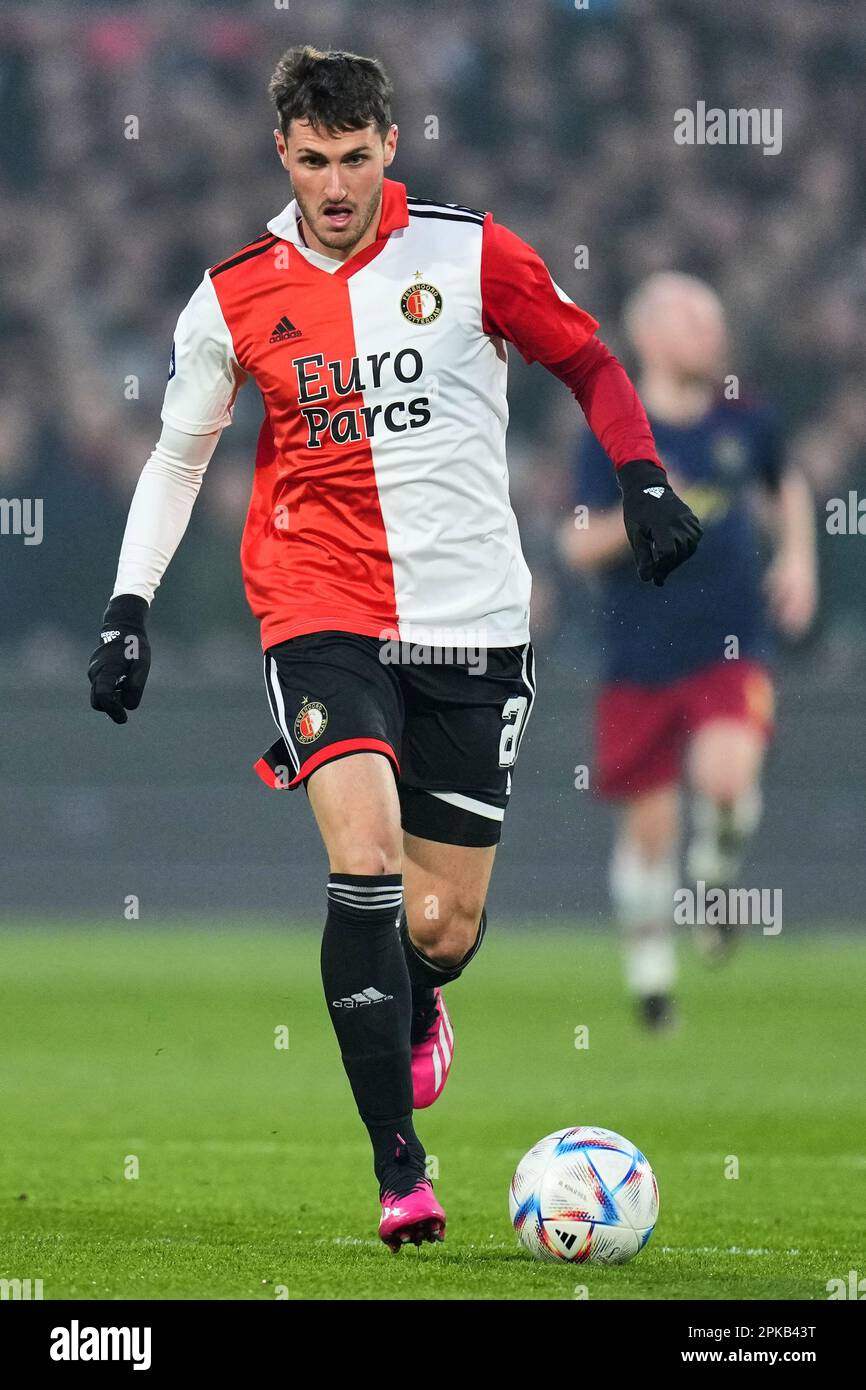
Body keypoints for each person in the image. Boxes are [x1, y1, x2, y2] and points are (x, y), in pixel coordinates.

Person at [87, 46, 700, 1250]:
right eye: (311, 161)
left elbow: (584, 356)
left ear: (389, 146)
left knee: (440, 925)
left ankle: (419, 999)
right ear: (282, 154)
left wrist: (640, 478)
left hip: (471, 620)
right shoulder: (229, 296)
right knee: (360, 860)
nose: (331, 184)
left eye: (353, 159)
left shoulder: (471, 253)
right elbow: (177, 457)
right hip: (318, 608)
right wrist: (127, 606)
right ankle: (398, 1173)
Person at [560, 272, 816, 1029]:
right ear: (648, 337)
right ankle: (651, 979)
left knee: (729, 777)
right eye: (692, 320)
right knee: (648, 829)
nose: (712, 332)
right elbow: (576, 542)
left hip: (728, 645)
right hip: (639, 654)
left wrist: (798, 557)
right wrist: (642, 507)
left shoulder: (746, 419)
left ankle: (714, 874)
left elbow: (787, 481)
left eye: (713, 318)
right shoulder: (612, 431)